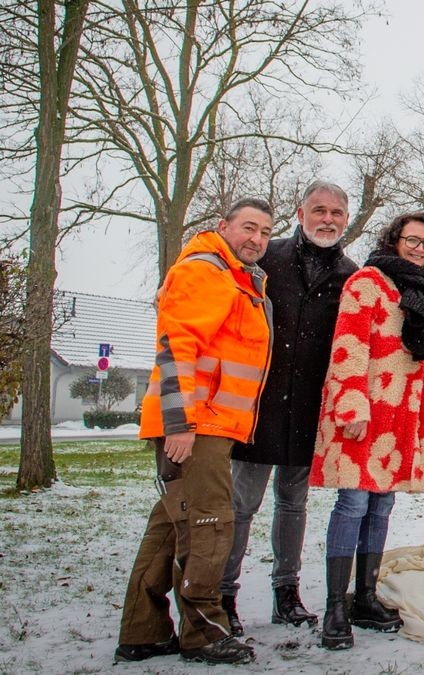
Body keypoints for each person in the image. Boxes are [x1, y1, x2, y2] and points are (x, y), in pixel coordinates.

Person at [310, 211, 424, 650]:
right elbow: (348, 348)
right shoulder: (366, 283)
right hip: (365, 411)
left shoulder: (418, 294)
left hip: (400, 420)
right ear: (394, 241)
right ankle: (336, 606)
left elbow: (423, 358)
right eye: (412, 240)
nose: (419, 248)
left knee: (380, 507)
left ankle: (367, 597)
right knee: (352, 503)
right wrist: (351, 407)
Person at [115, 198, 275, 665]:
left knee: (171, 526)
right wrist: (179, 424)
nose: (257, 239)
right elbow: (177, 348)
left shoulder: (235, 277)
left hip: (211, 423)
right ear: (223, 226)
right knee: (209, 525)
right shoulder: (206, 271)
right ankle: (204, 632)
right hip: (196, 424)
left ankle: (142, 631)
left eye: (265, 232)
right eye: (249, 228)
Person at [219, 181, 359, 636]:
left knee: (293, 503)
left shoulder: (349, 275)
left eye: (337, 213)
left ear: (346, 220)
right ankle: (224, 595)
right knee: (242, 504)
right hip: (258, 402)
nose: (328, 219)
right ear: (301, 214)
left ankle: (286, 592)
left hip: (308, 409)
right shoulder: (268, 258)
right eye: (319, 210)